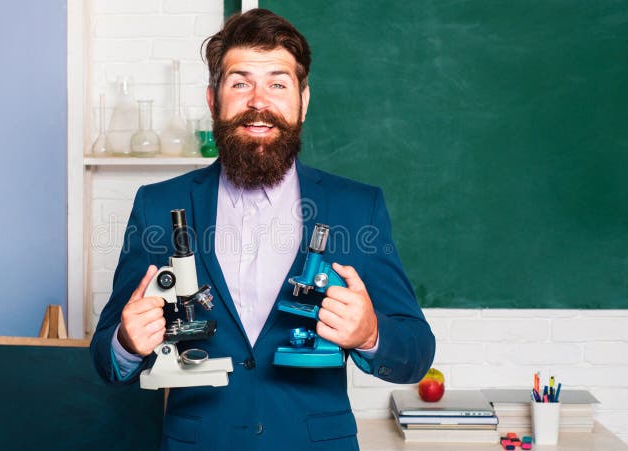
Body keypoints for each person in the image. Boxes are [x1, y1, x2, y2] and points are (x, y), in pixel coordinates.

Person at [91, 8, 435, 450]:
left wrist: (370, 334)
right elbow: (105, 359)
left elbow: (416, 352)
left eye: (277, 83)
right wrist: (126, 342)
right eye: (240, 83)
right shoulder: (159, 205)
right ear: (213, 100)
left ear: (302, 101)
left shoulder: (357, 207)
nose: (259, 101)